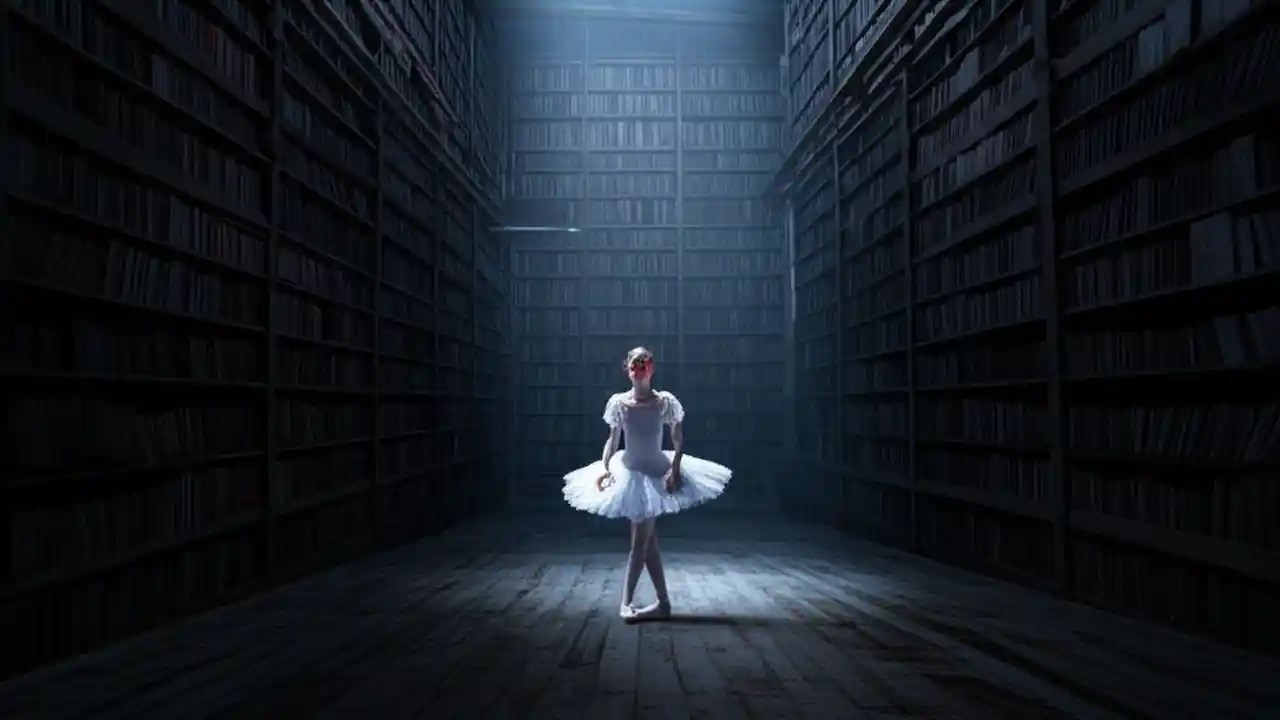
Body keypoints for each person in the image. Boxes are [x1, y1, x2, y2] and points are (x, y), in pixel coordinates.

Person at [561, 346, 732, 622]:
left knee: (639, 542)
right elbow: (612, 440)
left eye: (645, 364)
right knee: (648, 543)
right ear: (626, 369)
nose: (639, 369)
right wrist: (605, 469)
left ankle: (626, 602)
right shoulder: (618, 403)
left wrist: (675, 471)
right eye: (634, 364)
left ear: (652, 368)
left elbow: (677, 440)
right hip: (630, 473)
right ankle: (663, 604)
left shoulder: (665, 402)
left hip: (655, 475)